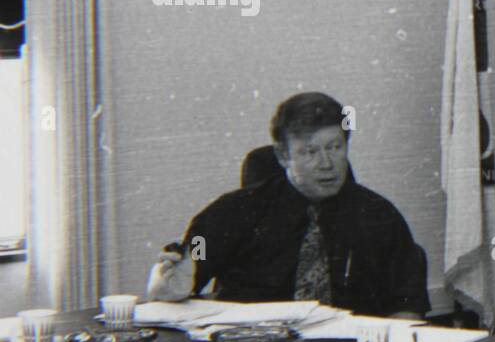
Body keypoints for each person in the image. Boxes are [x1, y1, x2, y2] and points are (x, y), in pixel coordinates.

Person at [146, 92, 430, 318]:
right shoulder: (235, 213)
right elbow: (186, 271)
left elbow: (406, 306)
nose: (326, 164)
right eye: (309, 152)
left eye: (335, 147)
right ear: (283, 156)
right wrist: (170, 287)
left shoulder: (379, 217)